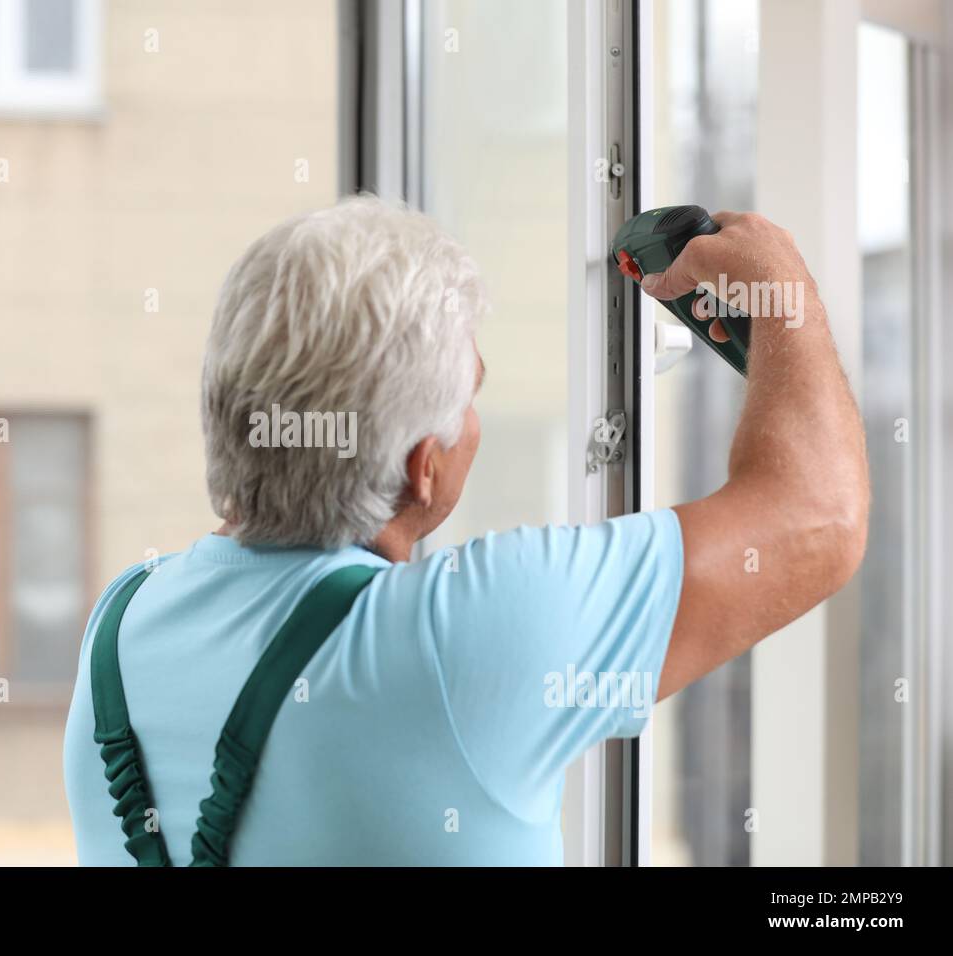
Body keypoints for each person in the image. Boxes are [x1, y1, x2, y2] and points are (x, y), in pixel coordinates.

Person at [63, 196, 869, 865]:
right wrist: (779, 284)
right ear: (423, 467)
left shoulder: (121, 623)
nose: (474, 420)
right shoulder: (454, 636)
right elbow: (818, 516)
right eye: (472, 394)